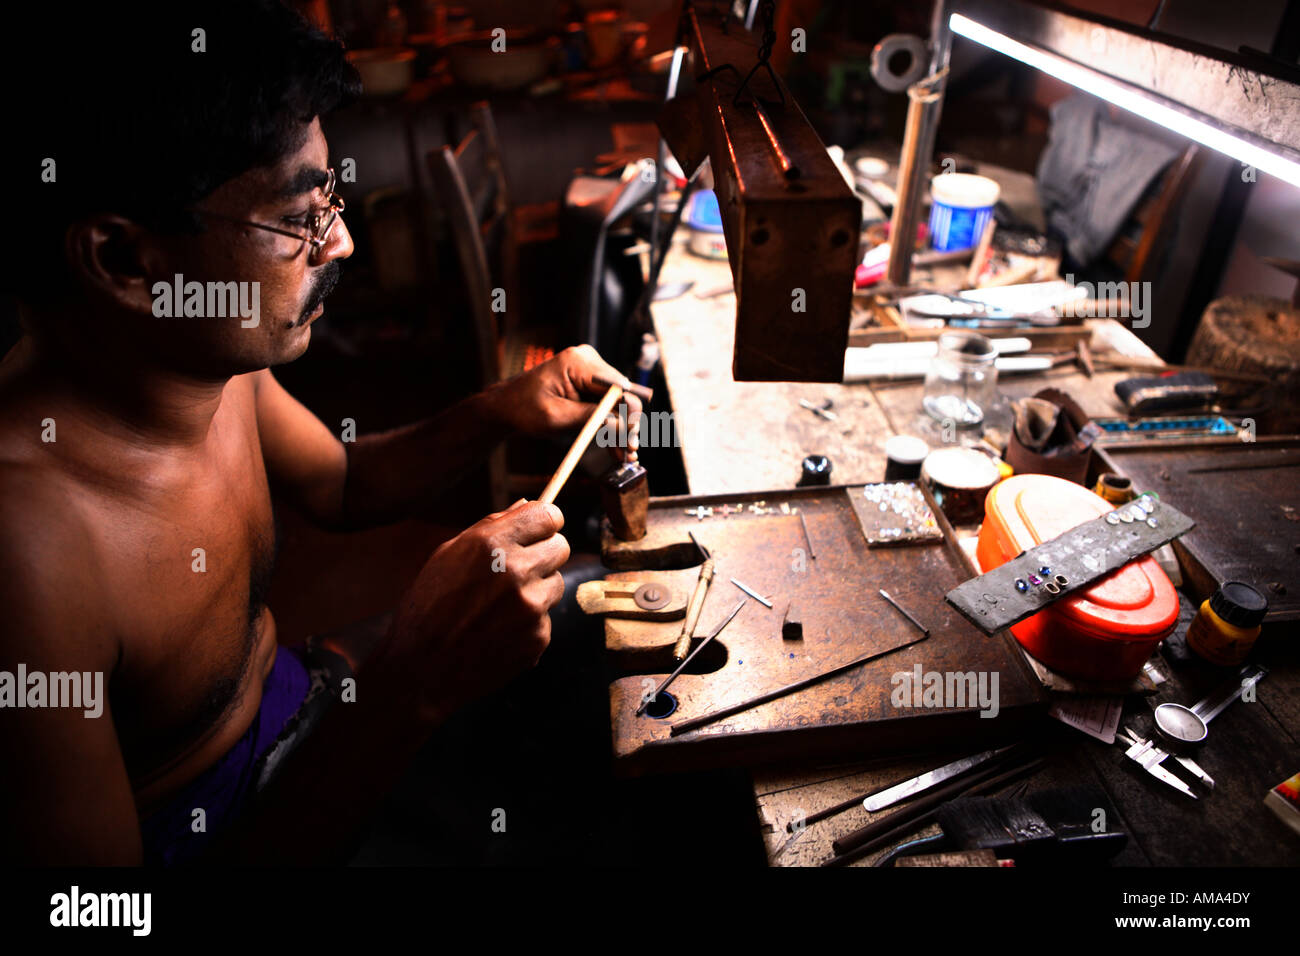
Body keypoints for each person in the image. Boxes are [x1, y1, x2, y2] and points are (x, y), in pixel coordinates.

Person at [0, 0, 639, 864]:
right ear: (123, 260)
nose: (339, 242)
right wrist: (411, 684)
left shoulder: (198, 349)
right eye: (299, 217)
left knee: (620, 629)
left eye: (328, 195)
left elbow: (340, 484)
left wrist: (499, 409)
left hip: (311, 707)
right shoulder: (28, 555)